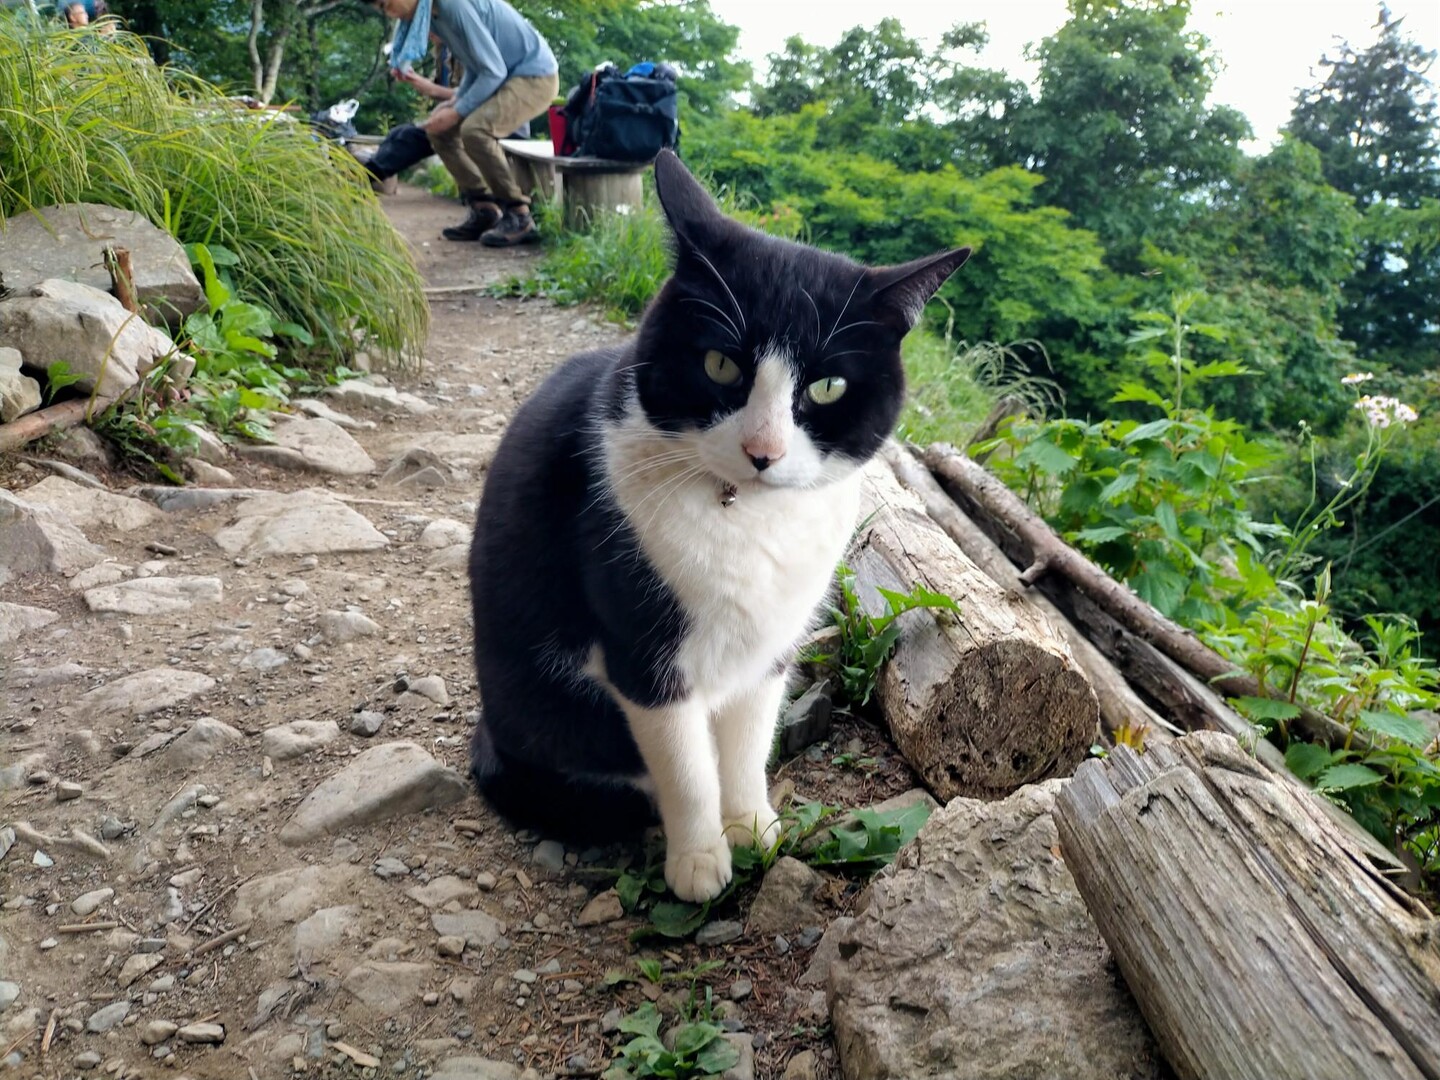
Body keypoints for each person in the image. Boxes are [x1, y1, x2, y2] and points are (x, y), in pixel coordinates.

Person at [370, 0, 558, 246]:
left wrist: (458, 110)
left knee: (475, 130)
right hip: (503, 77)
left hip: (534, 76)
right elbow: (475, 65)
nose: (389, 13)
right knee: (438, 131)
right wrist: (455, 101)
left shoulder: (451, 4)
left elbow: (493, 70)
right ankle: (484, 208)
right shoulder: (436, 13)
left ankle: (519, 214)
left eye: (387, 4)